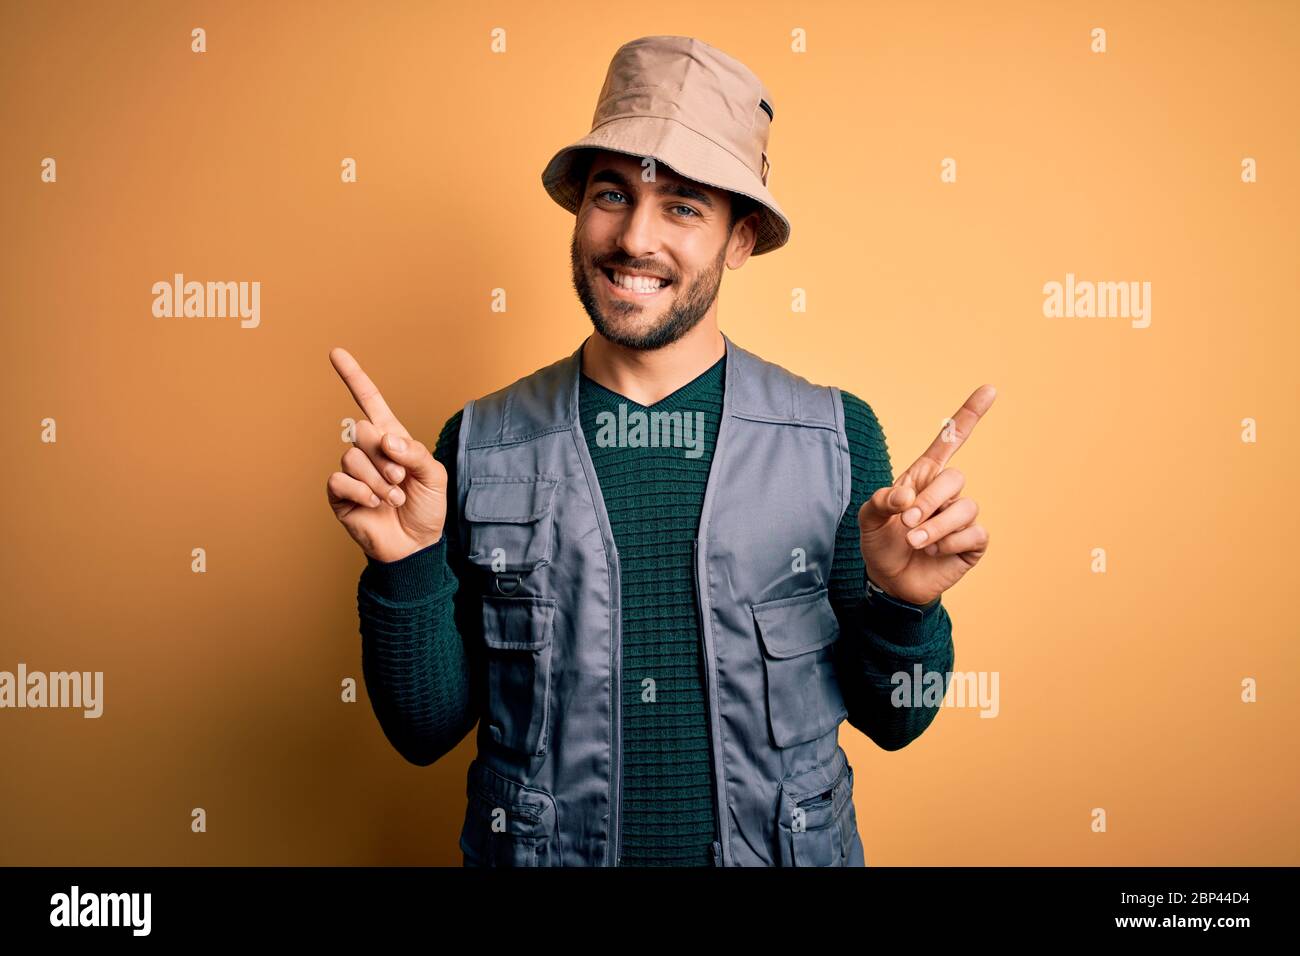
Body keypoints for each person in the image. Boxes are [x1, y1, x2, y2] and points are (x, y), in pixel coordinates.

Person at [327, 35, 994, 867]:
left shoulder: (834, 438)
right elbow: (423, 733)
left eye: (682, 206)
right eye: (613, 194)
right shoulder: (478, 444)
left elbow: (896, 721)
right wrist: (406, 565)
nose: (634, 237)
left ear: (740, 239)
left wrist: (906, 610)